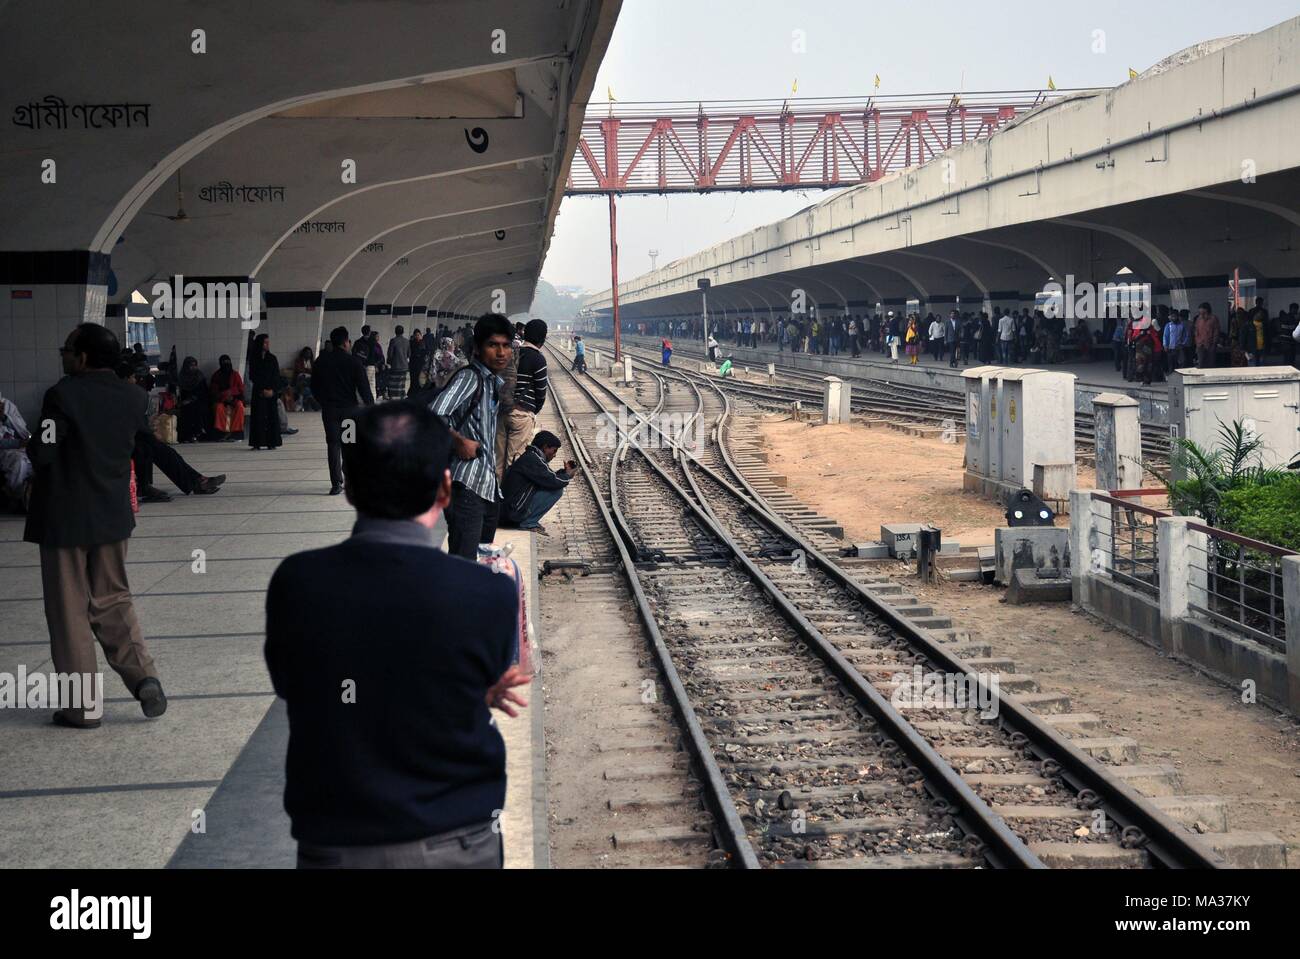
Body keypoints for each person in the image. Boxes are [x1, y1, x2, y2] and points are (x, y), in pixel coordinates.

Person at [265, 401, 527, 869]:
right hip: (456, 844)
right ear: (446, 488)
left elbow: (297, 686)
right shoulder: (488, 592)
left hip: (337, 845)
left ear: (351, 490)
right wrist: (469, 690)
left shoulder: (297, 582)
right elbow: (467, 676)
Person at [25, 323, 167, 728]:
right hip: (112, 516)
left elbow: (45, 449)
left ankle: (82, 707)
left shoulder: (62, 395)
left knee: (70, 610)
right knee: (114, 598)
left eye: (66, 350)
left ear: (82, 357)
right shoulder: (134, 396)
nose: (64, 357)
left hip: (64, 519)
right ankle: (144, 678)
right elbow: (141, 444)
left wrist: (37, 445)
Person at [430, 313, 512, 560]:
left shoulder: (491, 382)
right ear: (477, 348)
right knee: (464, 562)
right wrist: (458, 441)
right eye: (493, 345)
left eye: (506, 346)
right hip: (467, 486)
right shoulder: (470, 378)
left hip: (487, 487)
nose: (501, 353)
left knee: (480, 560)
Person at [313, 326, 375, 496]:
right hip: (349, 411)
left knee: (333, 445)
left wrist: (323, 402)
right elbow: (364, 388)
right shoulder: (354, 362)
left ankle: (336, 484)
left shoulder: (321, 361)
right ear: (346, 342)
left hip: (330, 411)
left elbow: (314, 387)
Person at [500, 431, 574, 533]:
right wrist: (567, 475)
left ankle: (527, 520)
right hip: (512, 512)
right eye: (554, 451)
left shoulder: (532, 456)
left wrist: (564, 473)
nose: (554, 455)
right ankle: (528, 522)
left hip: (510, 509)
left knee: (551, 486)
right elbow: (554, 481)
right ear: (545, 447)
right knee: (557, 491)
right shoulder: (533, 459)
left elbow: (547, 477)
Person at [502, 319, 549, 475]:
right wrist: (533, 410)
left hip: (501, 411)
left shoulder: (510, 353)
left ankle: (494, 494)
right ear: (543, 338)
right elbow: (541, 391)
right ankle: (509, 496)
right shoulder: (538, 358)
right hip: (522, 414)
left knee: (498, 459)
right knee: (515, 460)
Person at [247, 333, 283, 450]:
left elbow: (276, 376)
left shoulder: (272, 359)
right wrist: (262, 389)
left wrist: (272, 390)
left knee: (272, 417)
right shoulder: (254, 359)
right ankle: (257, 442)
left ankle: (272, 442)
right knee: (258, 417)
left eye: (268, 342)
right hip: (258, 392)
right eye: (265, 342)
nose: (267, 344)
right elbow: (252, 376)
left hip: (271, 392)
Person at [0, 389, 32, 511]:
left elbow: (24, 432)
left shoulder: (8, 405)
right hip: (5, 451)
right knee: (19, 463)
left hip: (21, 448)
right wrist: (17, 443)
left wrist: (5, 418)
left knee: (39, 458)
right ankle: (18, 499)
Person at [210, 354, 245, 440]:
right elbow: (213, 392)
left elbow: (241, 389)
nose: (226, 364)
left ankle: (236, 432)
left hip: (234, 399)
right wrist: (224, 396)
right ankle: (221, 433)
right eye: (224, 362)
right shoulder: (216, 375)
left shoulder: (235, 375)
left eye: (228, 362)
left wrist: (232, 396)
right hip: (221, 400)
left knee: (240, 406)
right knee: (219, 408)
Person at [1194, 302, 1220, 369]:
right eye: (1200, 313)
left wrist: (1214, 343)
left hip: (1210, 344)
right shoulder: (1198, 319)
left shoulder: (1213, 319)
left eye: (1204, 313)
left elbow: (1216, 332)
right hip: (1200, 344)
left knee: (1211, 363)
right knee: (1201, 363)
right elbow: (1196, 331)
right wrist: (1197, 342)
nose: (1202, 315)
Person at [293, 348, 316, 412]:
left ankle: (301, 400)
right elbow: (299, 370)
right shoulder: (298, 360)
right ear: (303, 353)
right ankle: (308, 398)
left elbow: (314, 371)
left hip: (309, 378)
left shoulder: (312, 362)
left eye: (309, 353)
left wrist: (306, 370)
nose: (308, 354)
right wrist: (308, 370)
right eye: (306, 352)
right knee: (302, 380)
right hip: (301, 377)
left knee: (307, 384)